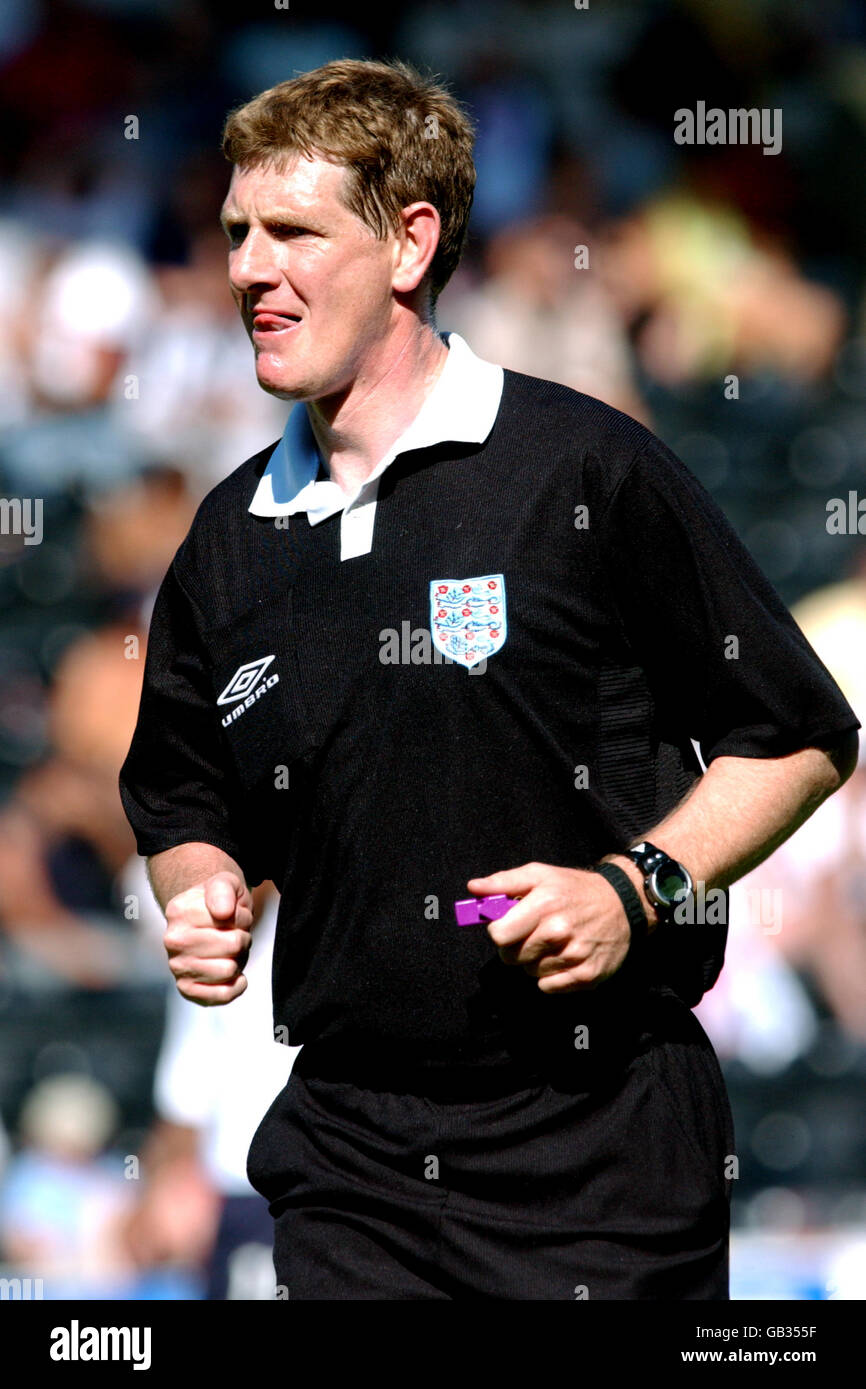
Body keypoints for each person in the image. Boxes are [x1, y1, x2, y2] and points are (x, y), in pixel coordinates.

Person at [119, 58, 860, 1300]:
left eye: (292, 232)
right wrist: (194, 886)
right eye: (238, 232)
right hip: (349, 1160)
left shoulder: (582, 470)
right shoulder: (228, 539)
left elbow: (793, 735)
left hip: (603, 1152)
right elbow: (184, 798)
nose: (248, 266)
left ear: (410, 244)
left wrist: (637, 886)